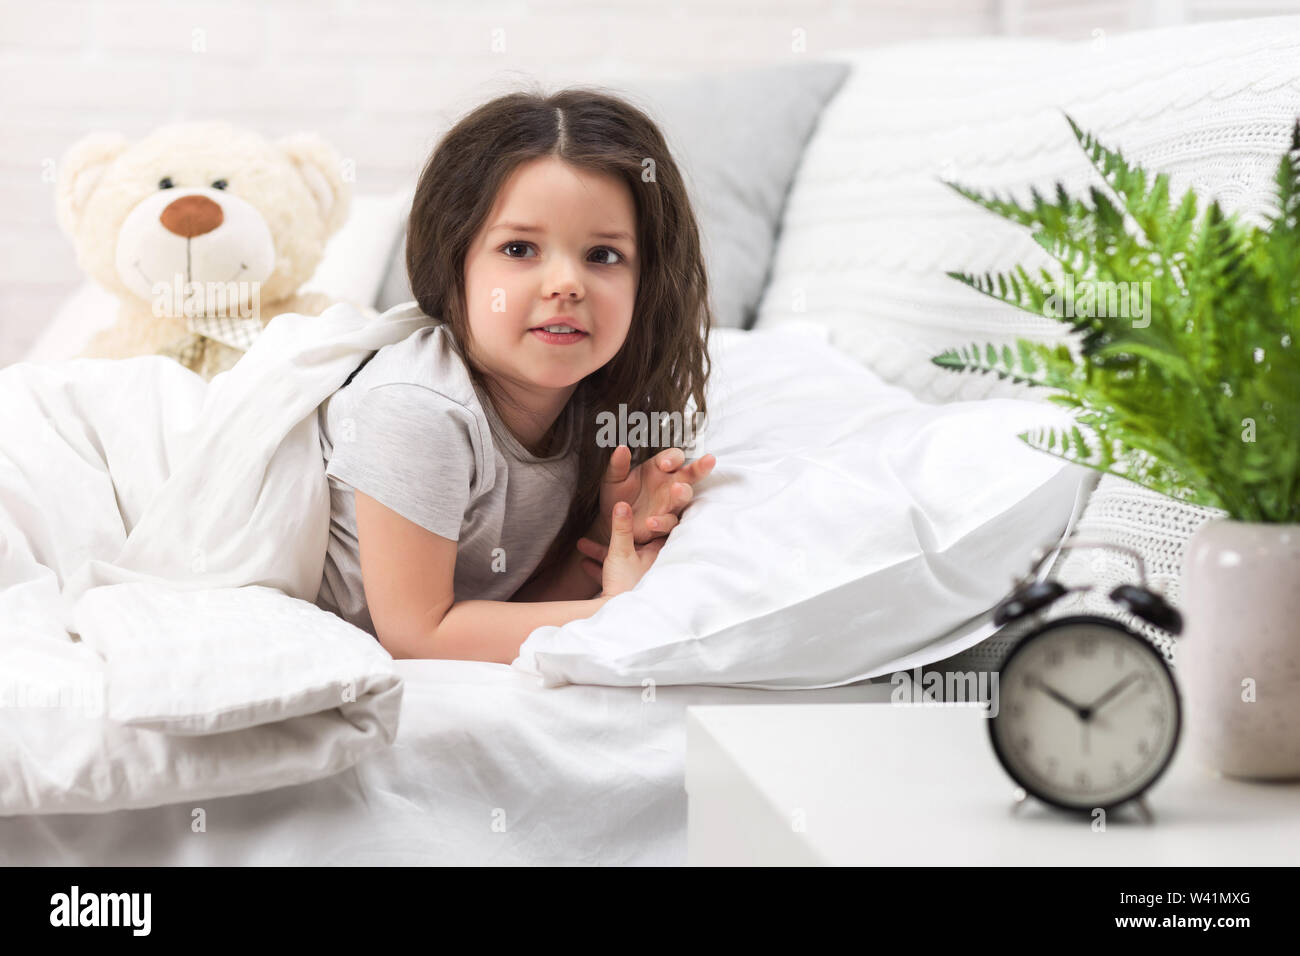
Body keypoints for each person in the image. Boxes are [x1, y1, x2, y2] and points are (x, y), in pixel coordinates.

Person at [314, 87, 718, 663]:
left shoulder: (593, 413)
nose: (566, 284)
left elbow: (508, 607)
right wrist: (620, 611)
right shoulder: (418, 407)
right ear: (455, 265)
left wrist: (606, 537)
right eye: (520, 248)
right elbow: (416, 633)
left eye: (603, 256)